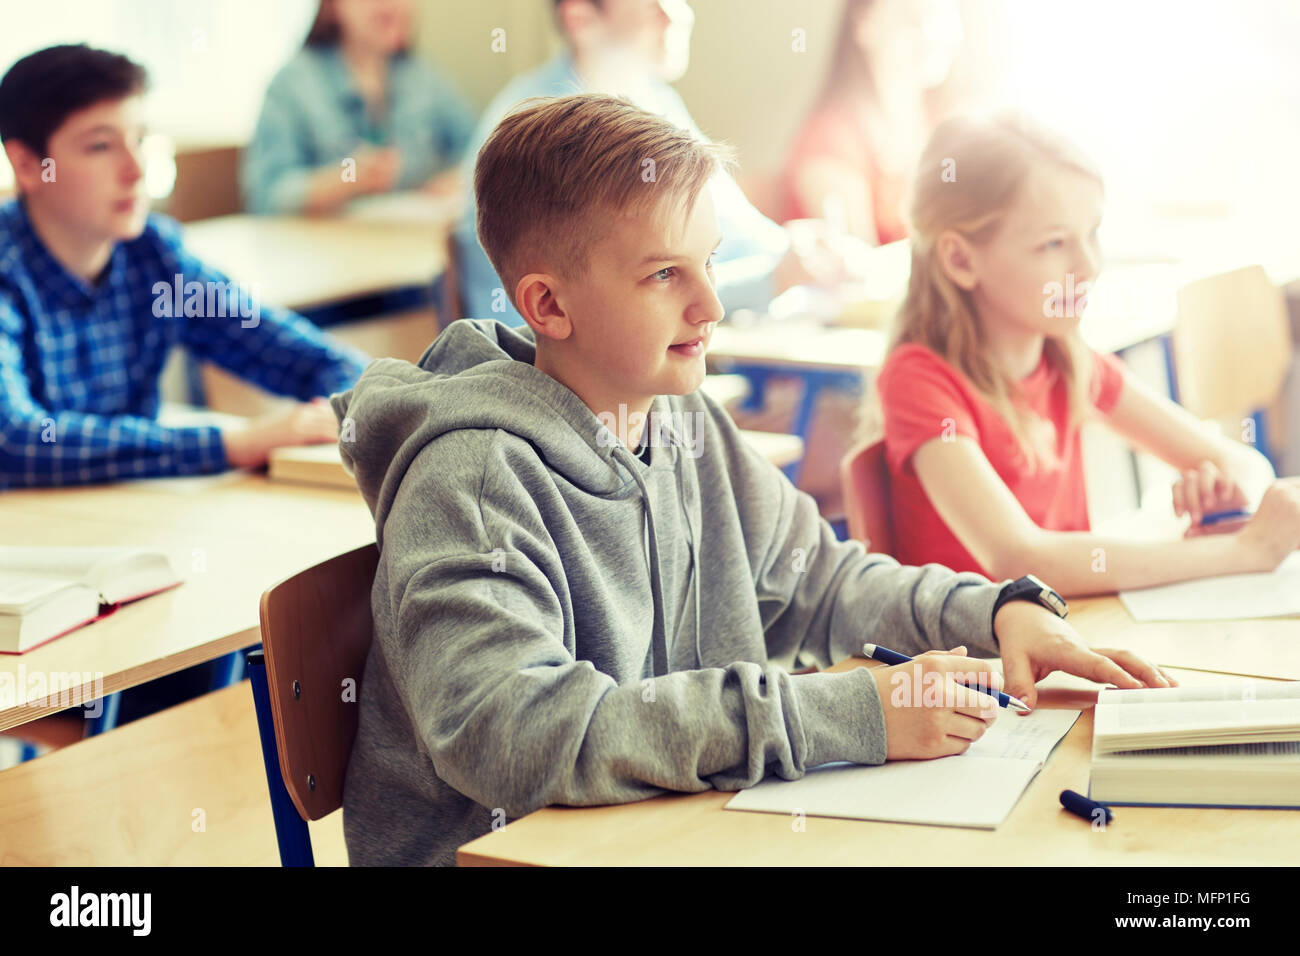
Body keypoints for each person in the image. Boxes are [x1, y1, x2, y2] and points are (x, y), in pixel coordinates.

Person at [333, 94, 1172, 866]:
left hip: (670, 831)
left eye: (710, 262)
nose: (711, 305)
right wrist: (846, 712)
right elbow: (523, 735)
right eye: (665, 275)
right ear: (549, 307)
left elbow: (820, 579)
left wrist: (994, 613)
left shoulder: (684, 422)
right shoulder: (474, 483)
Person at [868, 113, 1300, 595]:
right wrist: (1239, 553)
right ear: (961, 260)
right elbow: (1020, 558)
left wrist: (1230, 495)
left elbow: (1240, 461)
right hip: (973, 660)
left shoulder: (1068, 360)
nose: (1088, 266)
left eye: (1091, 234)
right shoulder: (919, 381)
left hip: (1068, 633)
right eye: (1053, 243)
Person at [0, 44, 366, 488]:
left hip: (131, 516)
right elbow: (12, 439)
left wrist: (334, 411)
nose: (136, 169)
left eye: (139, 140)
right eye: (100, 146)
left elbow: (312, 359)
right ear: (27, 164)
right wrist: (232, 444)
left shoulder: (155, 256)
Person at [451, 0, 838, 326]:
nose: (678, 14)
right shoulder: (546, 136)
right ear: (580, 17)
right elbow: (617, 306)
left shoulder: (657, 101)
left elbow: (736, 231)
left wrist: (803, 251)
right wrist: (771, 279)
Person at [241, 0, 474, 215]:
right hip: (322, 252)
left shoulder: (423, 77)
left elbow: (477, 148)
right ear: (333, 6)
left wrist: (457, 179)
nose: (395, 5)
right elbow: (266, 198)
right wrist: (345, 179)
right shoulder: (291, 85)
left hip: (408, 247)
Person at [781, 0, 959, 246]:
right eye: (910, 17)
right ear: (864, 22)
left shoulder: (941, 125)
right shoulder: (829, 143)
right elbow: (859, 272)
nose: (931, 32)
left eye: (940, 11)